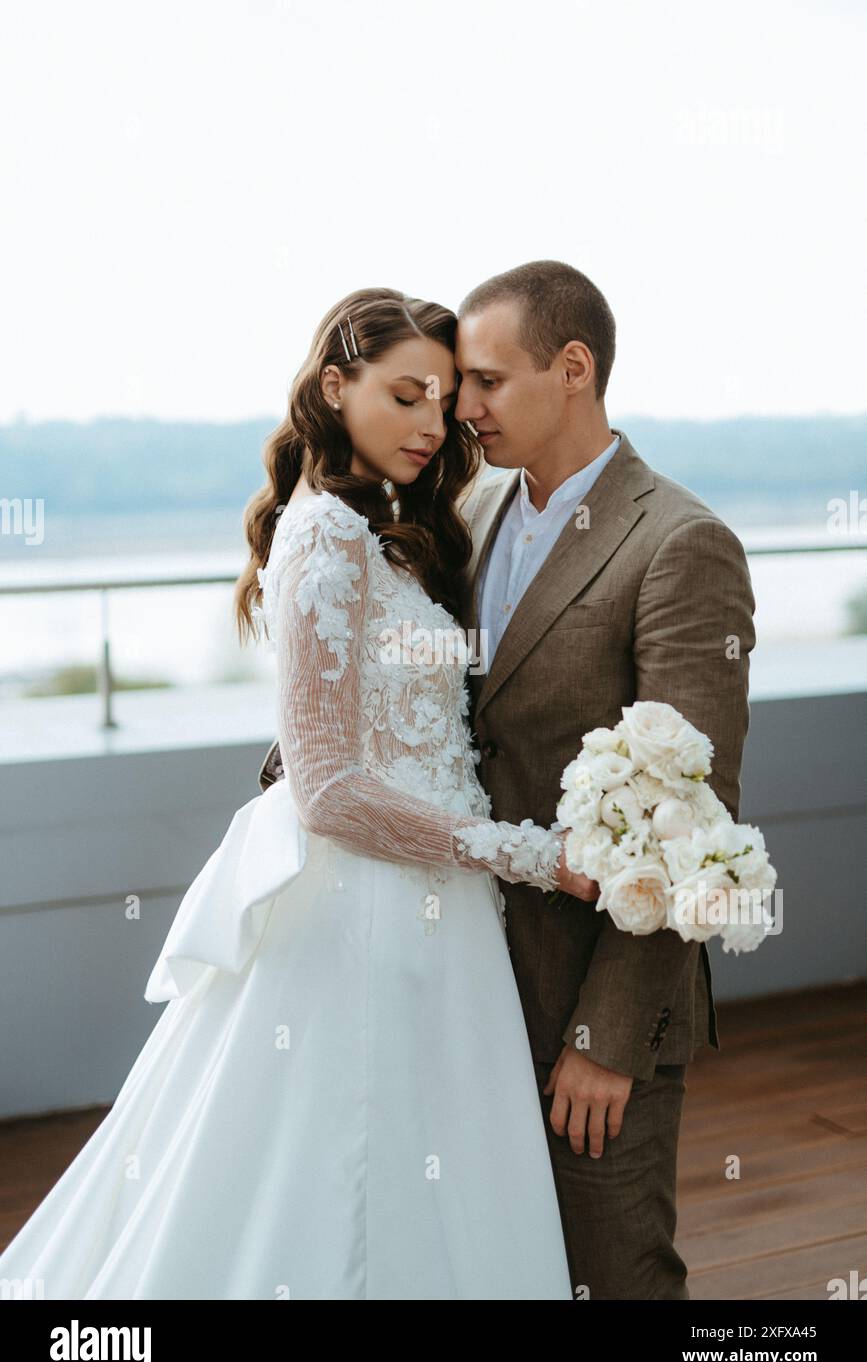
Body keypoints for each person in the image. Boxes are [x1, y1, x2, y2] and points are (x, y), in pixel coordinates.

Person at [0, 288, 595, 1301]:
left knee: (432, 1159)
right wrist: (532, 854)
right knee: (339, 1169)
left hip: (439, 909)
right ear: (335, 384)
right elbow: (326, 793)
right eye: (404, 393)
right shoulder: (321, 537)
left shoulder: (392, 529)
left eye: (442, 402)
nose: (426, 423)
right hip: (361, 903)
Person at [259, 261, 757, 1300]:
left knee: (614, 1275)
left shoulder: (679, 543)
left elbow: (692, 820)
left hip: (587, 1002)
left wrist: (605, 1040)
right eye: (442, 391)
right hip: (455, 983)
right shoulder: (462, 520)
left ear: (572, 369)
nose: (460, 412)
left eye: (482, 383)